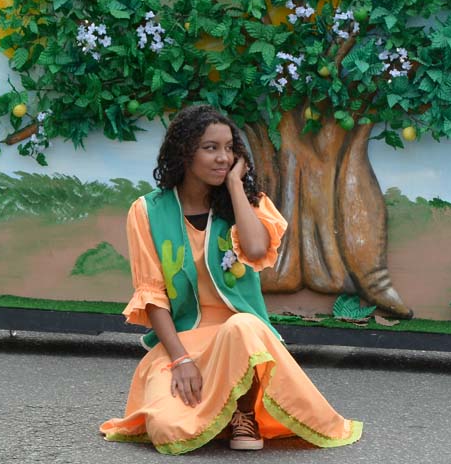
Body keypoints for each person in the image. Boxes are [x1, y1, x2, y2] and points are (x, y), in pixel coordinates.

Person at [100, 105, 363, 453]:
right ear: (184, 151)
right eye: (211, 148)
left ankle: (243, 413)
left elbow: (255, 250)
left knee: (242, 325)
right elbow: (152, 296)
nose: (223, 158)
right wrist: (179, 361)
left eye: (229, 149)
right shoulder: (147, 211)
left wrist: (236, 186)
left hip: (241, 338)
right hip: (184, 343)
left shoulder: (247, 204)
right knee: (168, 430)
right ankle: (216, 411)